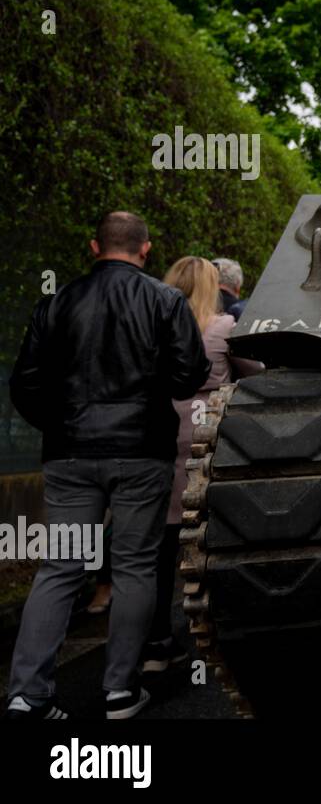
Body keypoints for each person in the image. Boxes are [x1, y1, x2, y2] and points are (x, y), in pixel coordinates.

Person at [5, 212, 210, 719]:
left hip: (70, 454)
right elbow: (190, 377)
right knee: (136, 566)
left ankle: (28, 695)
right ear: (146, 249)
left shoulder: (55, 303)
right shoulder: (165, 301)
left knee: (60, 567)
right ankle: (120, 690)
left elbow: (25, 385)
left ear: (95, 245)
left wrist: (63, 423)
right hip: (141, 453)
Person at [141, 257, 261, 674]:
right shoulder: (224, 327)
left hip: (157, 426)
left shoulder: (151, 325)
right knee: (219, 533)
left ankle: (155, 641)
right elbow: (256, 373)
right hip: (206, 430)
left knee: (159, 544)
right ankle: (226, 627)